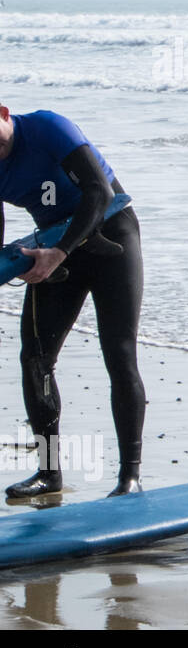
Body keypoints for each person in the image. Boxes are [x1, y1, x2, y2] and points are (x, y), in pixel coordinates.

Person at [0, 105, 146, 498]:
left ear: (3, 113)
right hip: (51, 244)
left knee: (119, 353)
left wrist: (60, 252)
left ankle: (129, 477)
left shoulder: (48, 127)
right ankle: (49, 474)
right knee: (35, 359)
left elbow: (98, 190)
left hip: (110, 232)